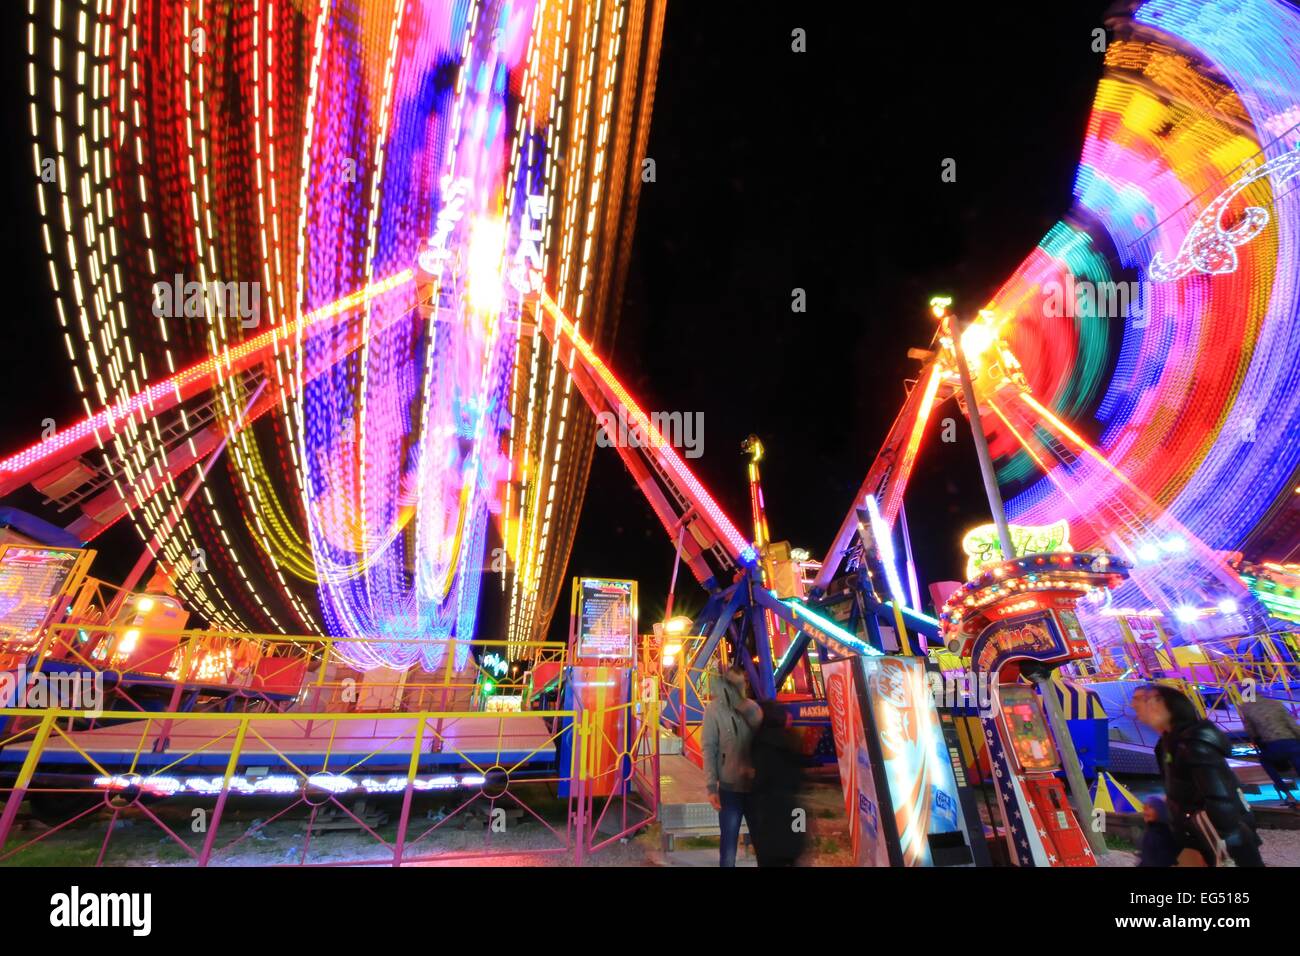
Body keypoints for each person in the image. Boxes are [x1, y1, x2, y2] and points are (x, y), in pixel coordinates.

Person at [1132, 684, 1264, 866]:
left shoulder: (1192, 743)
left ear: (1171, 706)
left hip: (1215, 834)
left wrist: (1225, 843)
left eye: (1147, 699)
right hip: (1194, 830)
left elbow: (1219, 797)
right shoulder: (1168, 743)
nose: (1136, 705)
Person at [702, 662, 761, 867]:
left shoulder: (753, 709)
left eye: (741, 684)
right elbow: (709, 748)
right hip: (729, 790)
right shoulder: (713, 711)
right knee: (728, 847)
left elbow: (765, 745)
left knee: (763, 844)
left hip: (755, 788)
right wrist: (711, 787)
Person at [749, 701, 808, 867]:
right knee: (793, 855)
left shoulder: (759, 744)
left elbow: (760, 782)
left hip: (770, 815)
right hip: (796, 810)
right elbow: (799, 779)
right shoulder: (793, 741)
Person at [1239, 697, 1300, 806]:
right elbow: (1292, 725)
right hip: (1292, 742)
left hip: (1274, 745)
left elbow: (1251, 731)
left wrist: (1257, 741)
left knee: (1265, 761)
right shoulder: (1275, 703)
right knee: (1297, 757)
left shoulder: (1247, 708)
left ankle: (1289, 795)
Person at [1136, 796, 1180, 867]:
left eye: (1150, 807)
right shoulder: (1152, 829)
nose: (1145, 811)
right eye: (1144, 808)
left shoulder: (1162, 833)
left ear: (1160, 810)